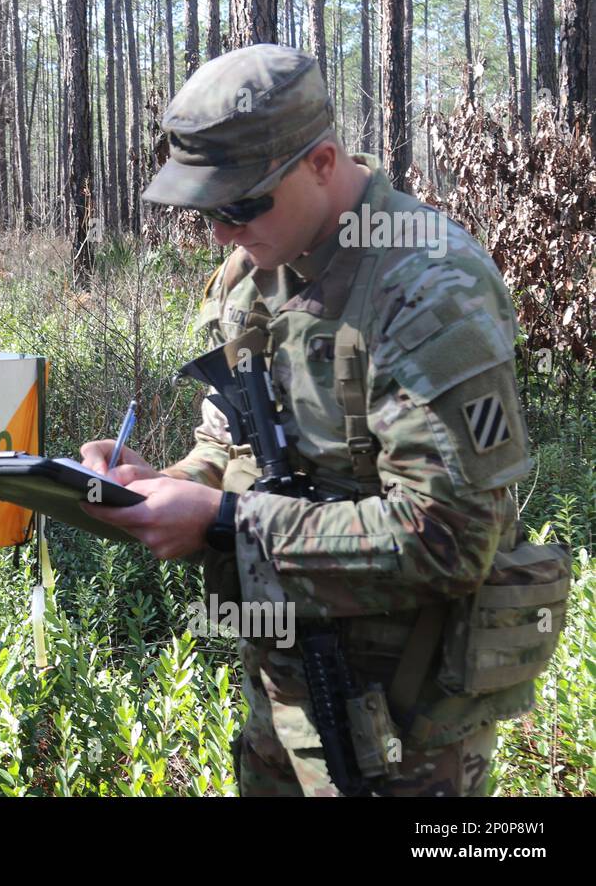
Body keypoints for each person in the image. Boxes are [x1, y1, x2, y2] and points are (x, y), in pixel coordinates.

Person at [81, 44, 540, 796]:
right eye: (206, 210)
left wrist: (226, 522)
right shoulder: (251, 272)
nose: (222, 234)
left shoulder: (430, 287)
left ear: (323, 161)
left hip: (403, 722)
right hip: (283, 684)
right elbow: (227, 441)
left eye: (241, 205)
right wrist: (156, 486)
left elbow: (455, 536)